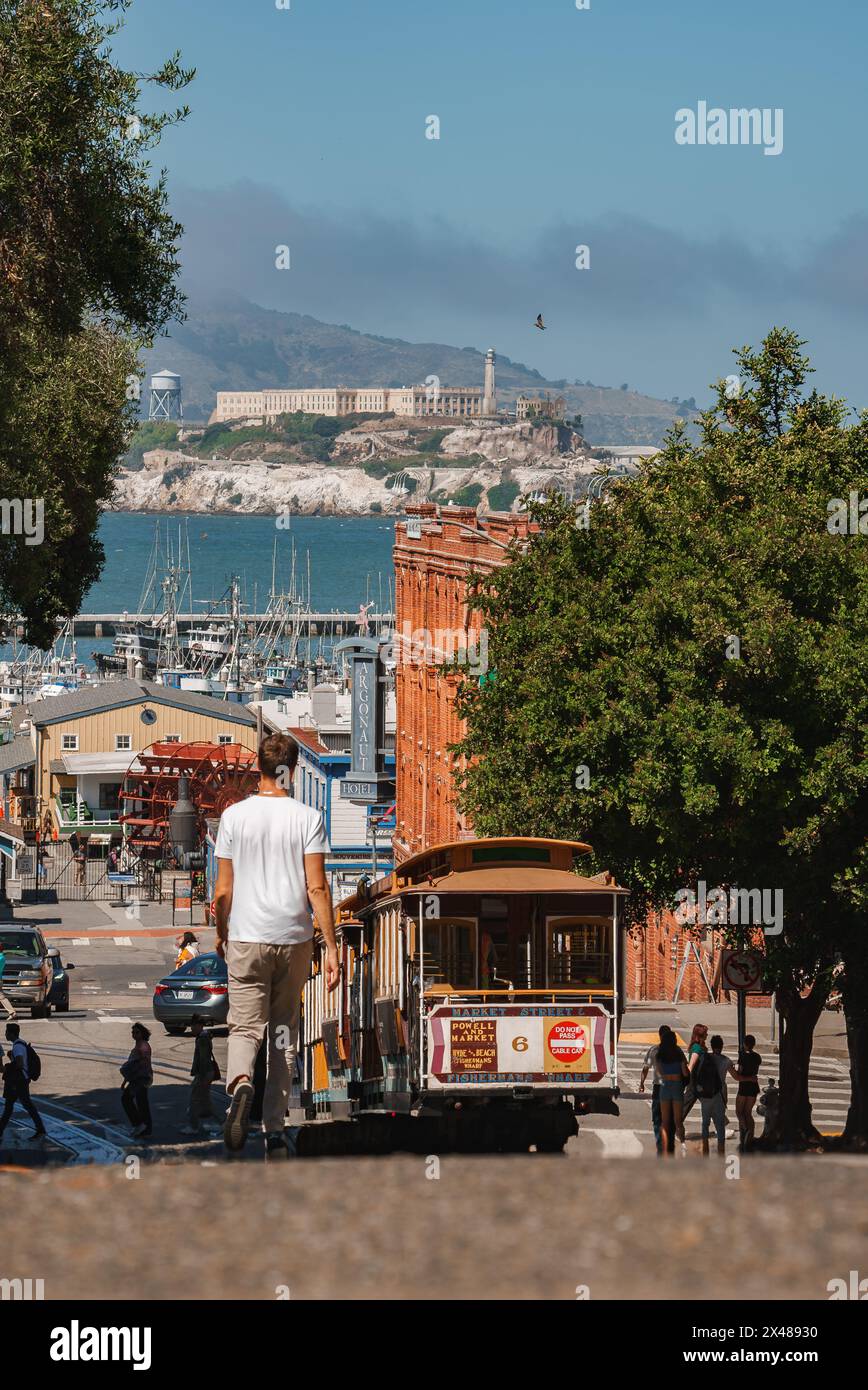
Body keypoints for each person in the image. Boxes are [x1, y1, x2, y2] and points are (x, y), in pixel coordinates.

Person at [214, 731, 340, 1159]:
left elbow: (222, 891)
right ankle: (273, 1126)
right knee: (283, 1030)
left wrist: (221, 932)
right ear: (292, 769)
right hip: (294, 939)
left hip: (247, 936)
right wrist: (333, 948)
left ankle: (241, 1082)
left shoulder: (233, 817)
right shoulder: (308, 818)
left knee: (244, 1028)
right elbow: (318, 889)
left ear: (259, 769)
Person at [0, 1023, 46, 1142]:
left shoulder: (17, 1047)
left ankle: (40, 1130)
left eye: (6, 1032)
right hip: (19, 1080)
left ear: (11, 1033)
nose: (5, 1034)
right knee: (10, 1107)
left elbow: (20, 1064)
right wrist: (12, 1057)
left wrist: (9, 1065)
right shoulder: (20, 1044)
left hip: (19, 1082)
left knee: (25, 1106)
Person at [696, 1033, 735, 1156]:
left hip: (706, 1095)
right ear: (722, 1046)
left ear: (711, 1046)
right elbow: (737, 1076)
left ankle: (705, 1153)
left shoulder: (704, 1058)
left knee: (705, 1124)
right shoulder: (726, 1061)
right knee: (720, 1126)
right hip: (719, 1096)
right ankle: (720, 1155)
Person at [180, 1015, 220, 1137]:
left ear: (200, 1026)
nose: (192, 1028)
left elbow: (203, 1059)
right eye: (191, 1025)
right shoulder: (204, 1036)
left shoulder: (202, 1038)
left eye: (194, 1025)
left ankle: (193, 1126)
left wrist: (201, 1077)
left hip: (204, 1073)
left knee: (194, 1099)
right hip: (207, 1072)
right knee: (205, 1100)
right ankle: (219, 1121)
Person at [639, 1024, 673, 1155]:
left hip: (658, 1088)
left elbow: (645, 1068)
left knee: (657, 1119)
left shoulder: (654, 1050)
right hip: (672, 1087)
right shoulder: (676, 1050)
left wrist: (642, 1083)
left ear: (659, 1036)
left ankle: (660, 1147)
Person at [654, 1028, 689, 1156]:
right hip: (677, 1085)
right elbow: (685, 1072)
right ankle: (683, 1144)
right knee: (678, 1121)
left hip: (664, 1086)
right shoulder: (678, 1053)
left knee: (665, 1121)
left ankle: (664, 1147)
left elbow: (659, 1072)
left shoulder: (660, 1053)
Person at [120, 1022, 153, 1138]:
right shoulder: (140, 1045)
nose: (134, 1034)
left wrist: (127, 1076)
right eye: (133, 1032)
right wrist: (125, 1080)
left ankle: (139, 1124)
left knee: (127, 1099)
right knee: (142, 1103)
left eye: (137, 1032)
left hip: (140, 1079)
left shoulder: (142, 1047)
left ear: (142, 1033)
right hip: (139, 1078)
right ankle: (146, 1129)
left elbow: (135, 1064)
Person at [733, 1034, 762, 1152]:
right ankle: (750, 1135)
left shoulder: (743, 1056)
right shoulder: (757, 1057)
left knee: (739, 1112)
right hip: (753, 1087)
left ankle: (744, 1129)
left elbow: (740, 1073)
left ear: (745, 1044)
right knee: (748, 1112)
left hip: (744, 1086)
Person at [682, 1022, 709, 1125]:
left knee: (710, 1105)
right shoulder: (697, 1048)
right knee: (686, 1105)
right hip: (695, 1083)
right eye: (705, 1033)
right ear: (700, 1035)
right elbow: (691, 1065)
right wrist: (685, 1080)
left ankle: (723, 1124)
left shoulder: (698, 1046)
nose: (707, 1035)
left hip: (699, 1082)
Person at [0, 946, 17, 1021]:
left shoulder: (1, 958)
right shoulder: (2, 957)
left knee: (1, 997)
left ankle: (12, 1012)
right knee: (1, 997)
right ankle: (12, 1012)